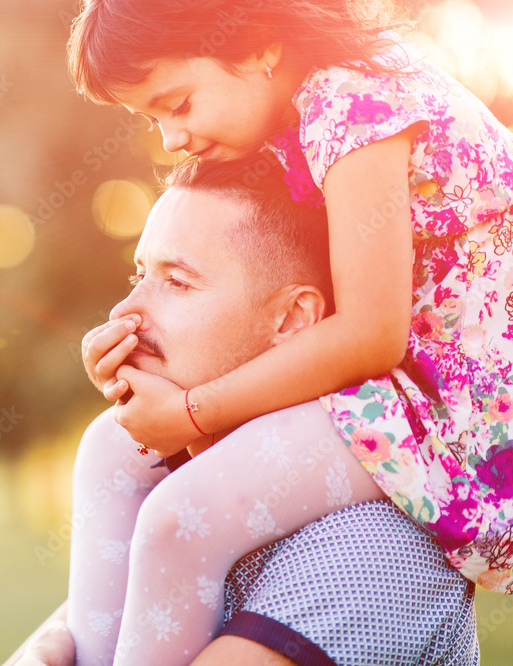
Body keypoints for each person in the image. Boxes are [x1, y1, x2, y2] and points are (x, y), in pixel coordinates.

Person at [64, 0, 513, 660]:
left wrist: (189, 412)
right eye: (152, 118)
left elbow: (369, 334)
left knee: (180, 519)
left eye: (178, 103)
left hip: (457, 417)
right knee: (115, 452)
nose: (171, 138)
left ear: (256, 48)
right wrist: (142, 366)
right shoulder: (304, 111)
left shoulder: (354, 102)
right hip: (402, 392)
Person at [6, 153, 479, 666]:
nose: (127, 313)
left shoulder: (374, 550)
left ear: (291, 320)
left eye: (178, 281)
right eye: (137, 276)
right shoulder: (183, 500)